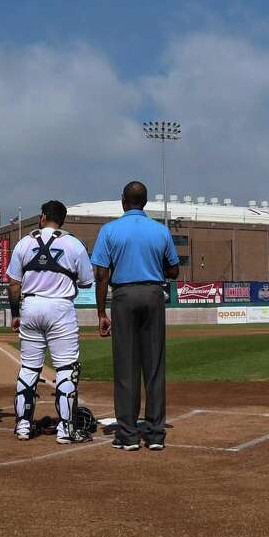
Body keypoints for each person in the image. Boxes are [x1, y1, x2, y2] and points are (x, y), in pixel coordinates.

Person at [91, 181, 180, 451]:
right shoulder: (160, 230)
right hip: (153, 294)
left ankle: (128, 435)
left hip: (123, 296)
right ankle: (155, 434)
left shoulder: (109, 230)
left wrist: (101, 312)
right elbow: (174, 271)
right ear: (145, 202)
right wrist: (154, 264)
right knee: (154, 366)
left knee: (126, 366)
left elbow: (101, 275)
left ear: (123, 201)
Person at [6, 200, 95, 443]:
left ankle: (23, 426)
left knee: (29, 367)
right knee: (66, 368)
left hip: (31, 306)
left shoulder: (24, 242)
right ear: (62, 220)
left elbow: (13, 284)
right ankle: (65, 429)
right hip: (60, 308)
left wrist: (15, 314)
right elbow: (87, 282)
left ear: (43, 217)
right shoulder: (74, 244)